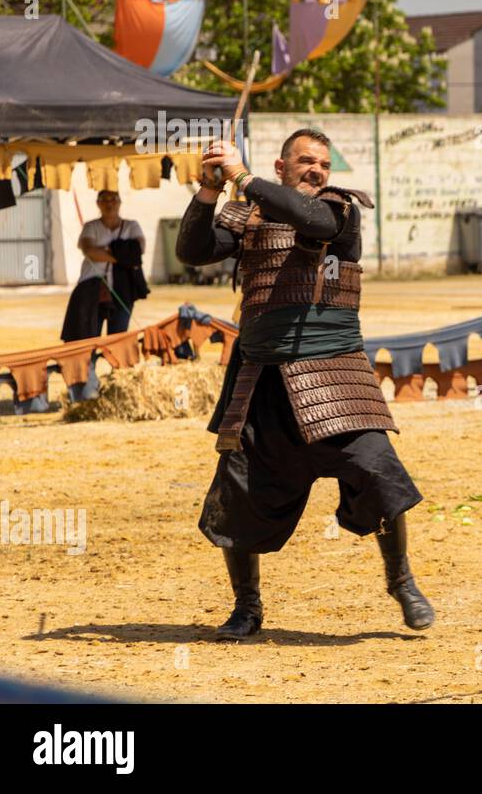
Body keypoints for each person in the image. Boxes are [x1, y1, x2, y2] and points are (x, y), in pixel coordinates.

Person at [175, 130, 434, 641]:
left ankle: (400, 579)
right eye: (305, 162)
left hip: (335, 374)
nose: (316, 170)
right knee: (239, 493)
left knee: (375, 470)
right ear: (281, 166)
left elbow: (308, 218)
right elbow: (193, 250)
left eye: (323, 164)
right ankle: (247, 608)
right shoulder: (247, 214)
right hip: (262, 378)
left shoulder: (339, 210)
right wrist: (209, 190)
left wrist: (241, 177)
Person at [60, 190, 148, 342]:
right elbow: (90, 251)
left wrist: (105, 251)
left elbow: (139, 250)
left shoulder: (131, 226)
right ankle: (90, 365)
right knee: (89, 335)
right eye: (105, 200)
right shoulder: (91, 227)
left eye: (113, 199)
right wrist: (124, 255)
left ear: (119, 202)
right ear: (98, 203)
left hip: (123, 287)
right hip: (94, 287)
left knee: (117, 338)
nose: (109, 203)